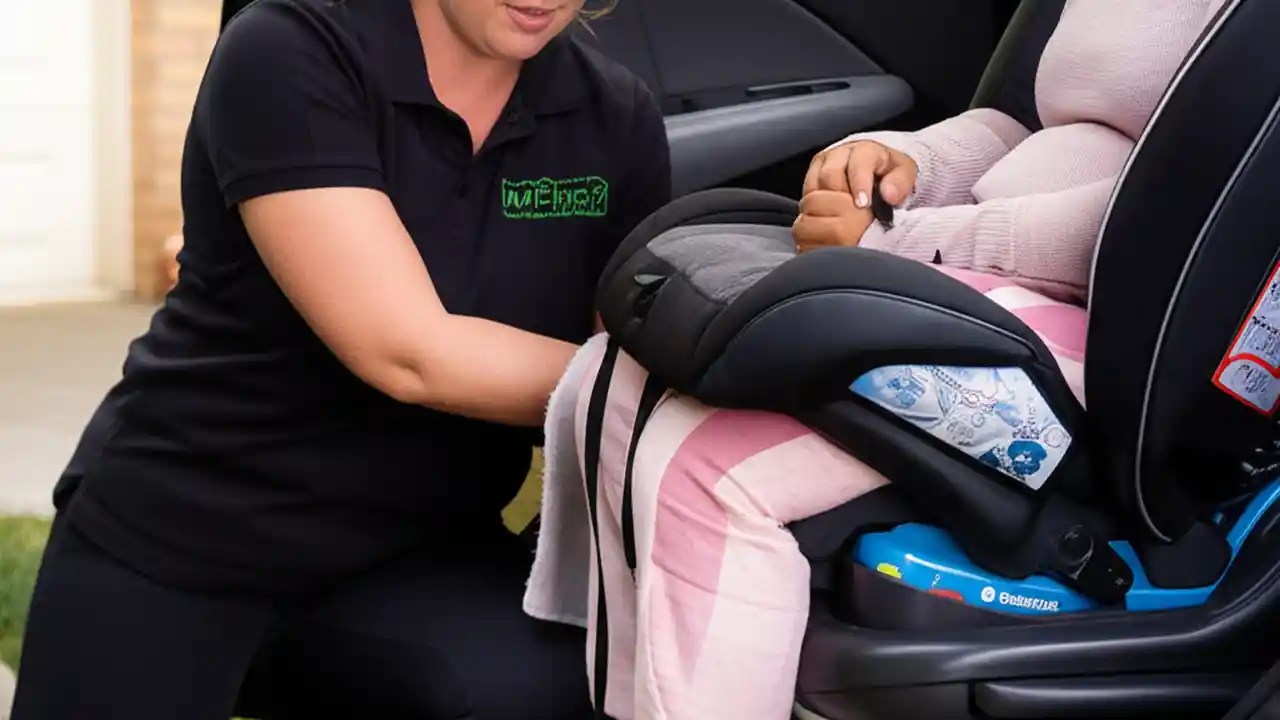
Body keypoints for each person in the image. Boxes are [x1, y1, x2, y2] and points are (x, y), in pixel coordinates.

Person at [525, 0, 1229, 718]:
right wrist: (903, 165)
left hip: (1128, 342)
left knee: (705, 462)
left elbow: (1185, 218)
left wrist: (904, 241)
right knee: (617, 381)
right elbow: (1022, 126)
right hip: (976, 281)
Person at [11, 0, 670, 717]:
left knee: (555, 689)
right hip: (184, 536)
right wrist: (657, 389)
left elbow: (633, 355)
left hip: (421, 554)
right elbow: (405, 350)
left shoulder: (613, 116)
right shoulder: (290, 47)